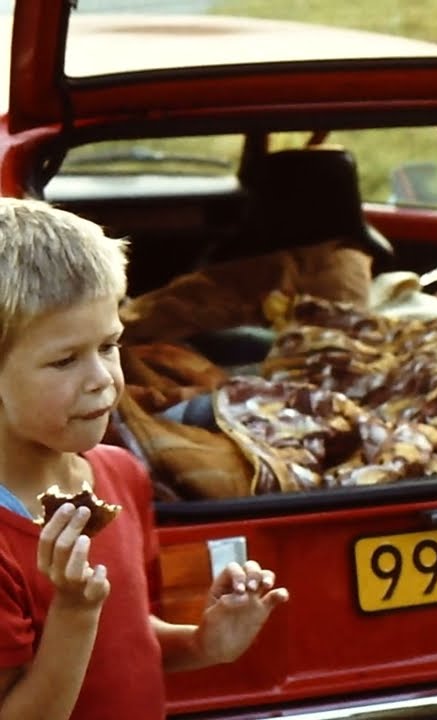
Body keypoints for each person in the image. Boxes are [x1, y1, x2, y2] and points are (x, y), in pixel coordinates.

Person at [0, 198, 289, 720]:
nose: (102, 379)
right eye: (65, 359)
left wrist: (203, 644)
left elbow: (127, 634)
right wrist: (74, 611)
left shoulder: (121, 474)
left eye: (109, 346)